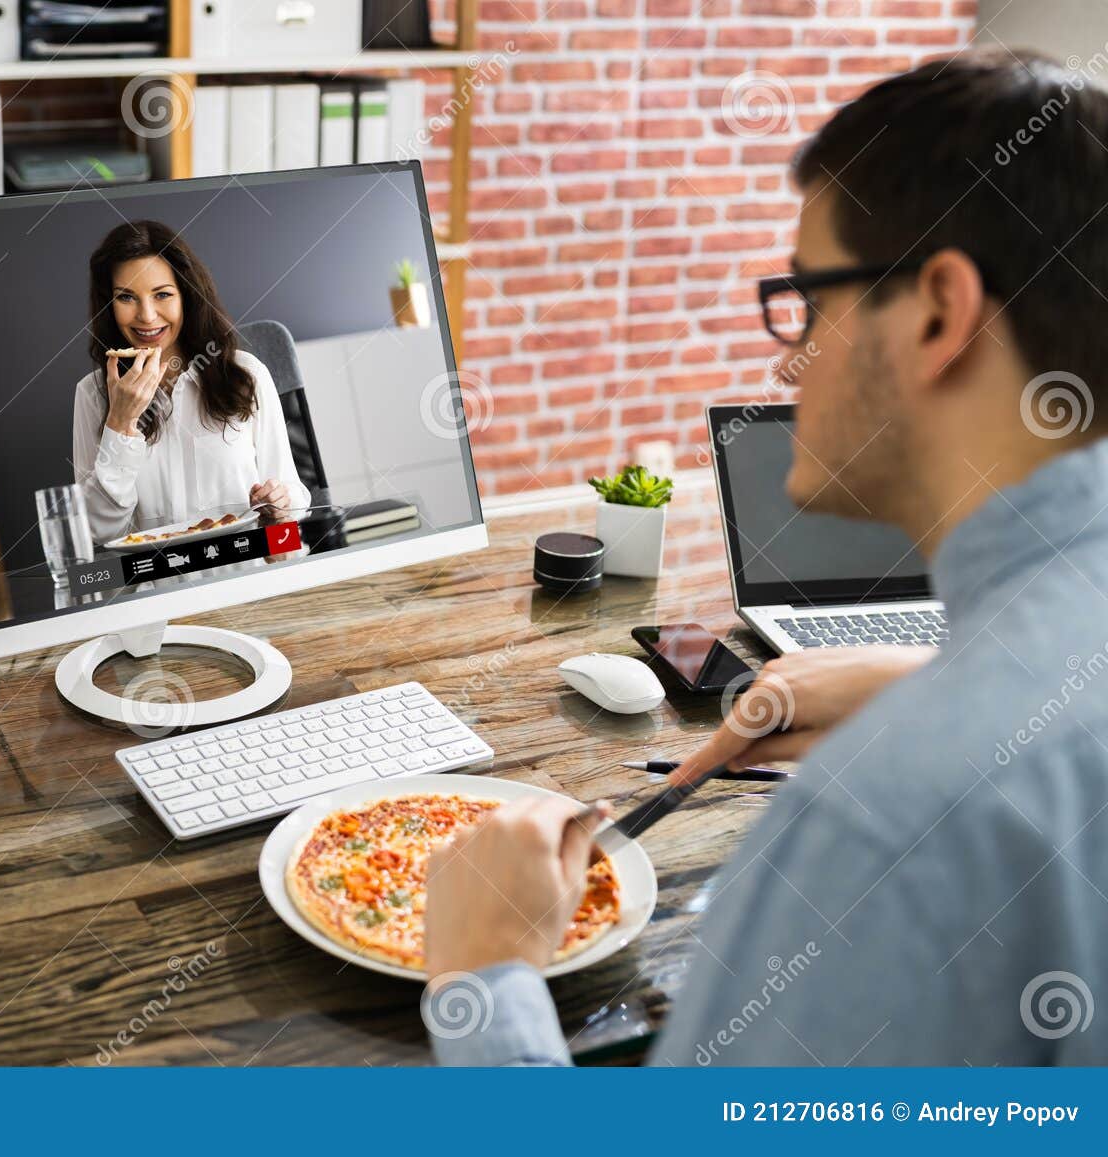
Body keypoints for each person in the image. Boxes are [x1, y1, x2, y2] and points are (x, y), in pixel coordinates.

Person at [424, 48, 1108, 1065]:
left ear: (937, 313)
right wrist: (922, 679)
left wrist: (482, 976)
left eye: (814, 301)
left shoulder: (884, 815)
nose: (784, 356)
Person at [71, 220, 309, 543]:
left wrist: (282, 505)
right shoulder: (92, 395)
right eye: (126, 297)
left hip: (248, 577)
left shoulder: (247, 374)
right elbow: (98, 533)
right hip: (159, 588)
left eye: (162, 294)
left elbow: (292, 501)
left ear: (187, 295)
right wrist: (120, 421)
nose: (147, 316)